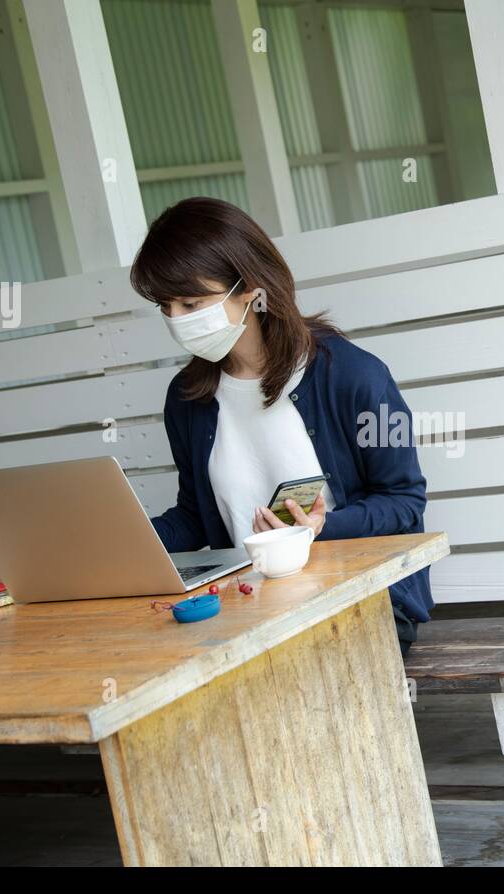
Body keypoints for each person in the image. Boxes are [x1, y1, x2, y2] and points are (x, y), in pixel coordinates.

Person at [130, 197, 433, 657]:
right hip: (248, 612)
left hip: (361, 603)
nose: (177, 320)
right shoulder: (187, 398)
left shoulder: (354, 377)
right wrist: (126, 541)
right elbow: (195, 519)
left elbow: (404, 502)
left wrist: (320, 528)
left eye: (192, 302)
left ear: (251, 289)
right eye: (165, 306)